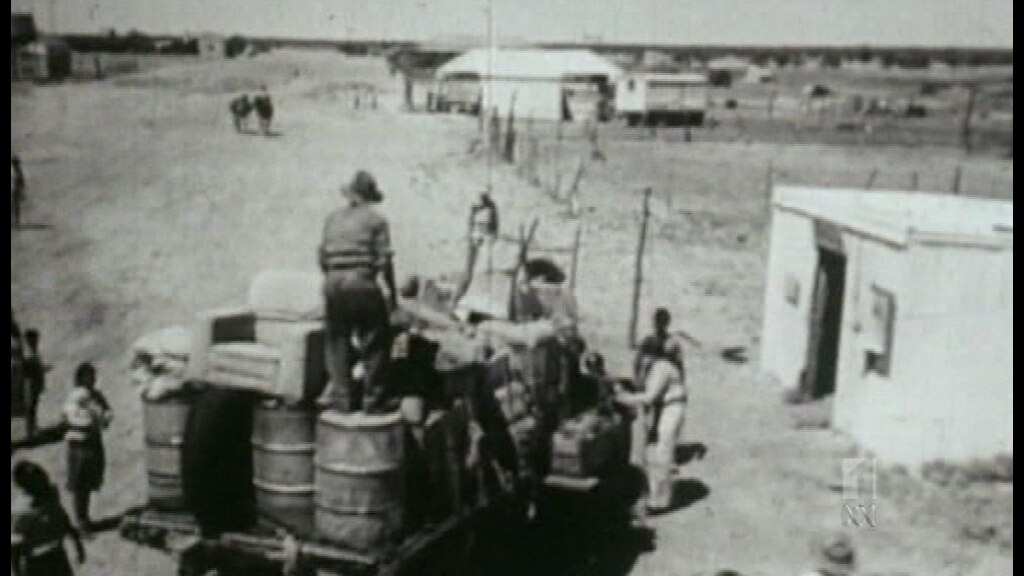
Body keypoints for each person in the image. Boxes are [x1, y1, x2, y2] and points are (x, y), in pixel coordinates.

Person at [318, 170, 397, 414]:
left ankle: (342, 401)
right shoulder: (377, 221)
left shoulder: (332, 219)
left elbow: (322, 257)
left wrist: (334, 277)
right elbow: (384, 261)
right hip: (362, 283)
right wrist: (392, 295)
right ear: (370, 196)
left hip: (332, 282)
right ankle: (374, 401)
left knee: (337, 340)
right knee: (374, 339)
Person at [616, 339, 687, 514]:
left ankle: (661, 502)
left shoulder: (661, 367)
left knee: (663, 453)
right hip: (664, 409)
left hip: (671, 409)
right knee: (652, 452)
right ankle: (654, 496)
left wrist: (625, 398)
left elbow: (650, 397)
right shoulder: (657, 367)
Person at [11, 460, 86, 576]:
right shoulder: (22, 512)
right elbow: (15, 549)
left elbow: (63, 519)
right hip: (37, 565)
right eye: (39, 481)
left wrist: (78, 545)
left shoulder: (50, 496)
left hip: (58, 557)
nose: (45, 483)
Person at [62, 363, 112, 531]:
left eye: (93, 376)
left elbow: (106, 414)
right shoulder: (77, 396)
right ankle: (80, 521)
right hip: (80, 445)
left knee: (88, 483)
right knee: (80, 484)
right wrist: (94, 419)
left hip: (92, 443)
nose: (93, 379)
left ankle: (84, 519)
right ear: (82, 378)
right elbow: (71, 418)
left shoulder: (95, 395)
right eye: (90, 376)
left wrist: (100, 416)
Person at [634, 307, 683, 381]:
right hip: (651, 378)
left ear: (667, 323)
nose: (660, 325)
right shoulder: (649, 340)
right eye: (658, 321)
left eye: (663, 322)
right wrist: (638, 380)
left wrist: (681, 382)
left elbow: (679, 365)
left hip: (667, 379)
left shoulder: (672, 343)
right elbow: (638, 362)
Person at [22, 329, 46, 437]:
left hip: (35, 383)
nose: (37, 341)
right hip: (31, 384)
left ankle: (32, 428)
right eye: (35, 339)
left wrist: (43, 369)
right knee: (30, 407)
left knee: (33, 407)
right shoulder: (29, 354)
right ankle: (29, 431)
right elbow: (28, 370)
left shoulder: (33, 351)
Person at [12, 155, 26, 229]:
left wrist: (22, 192)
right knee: (15, 207)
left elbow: (22, 183)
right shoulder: (18, 171)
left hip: (15, 191)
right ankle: (16, 222)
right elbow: (22, 183)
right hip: (15, 191)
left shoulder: (18, 172)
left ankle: (16, 222)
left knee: (15, 207)